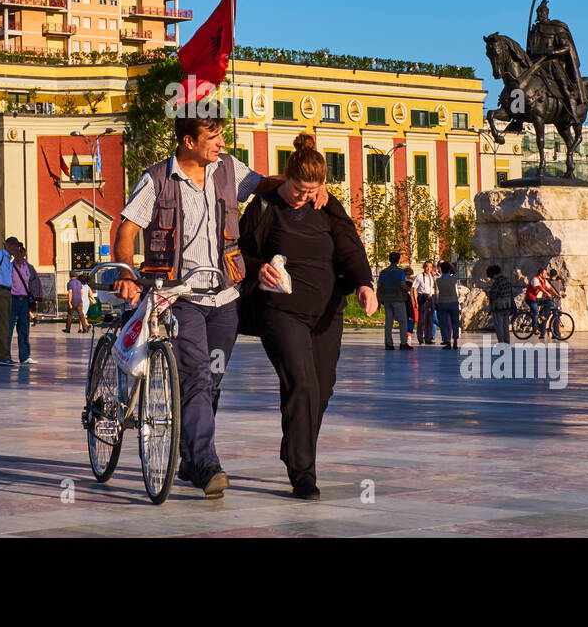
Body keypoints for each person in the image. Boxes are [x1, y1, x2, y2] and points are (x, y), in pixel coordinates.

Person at [114, 106, 322, 499]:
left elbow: (265, 185)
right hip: (179, 297)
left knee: (212, 380)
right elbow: (127, 228)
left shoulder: (227, 168)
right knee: (195, 377)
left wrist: (307, 186)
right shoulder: (158, 179)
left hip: (225, 297)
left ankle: (191, 459)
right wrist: (126, 272)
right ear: (189, 141)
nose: (222, 143)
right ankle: (208, 463)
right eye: (213, 138)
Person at [239, 133, 377, 499]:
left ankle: (294, 447)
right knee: (301, 384)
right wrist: (257, 269)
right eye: (299, 188)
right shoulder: (265, 207)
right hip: (281, 311)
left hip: (327, 312)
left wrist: (365, 284)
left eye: (312, 189)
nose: (304, 196)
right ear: (286, 178)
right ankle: (303, 474)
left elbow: (350, 246)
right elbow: (237, 255)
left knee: (323, 387)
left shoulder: (328, 207)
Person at [7, 238, 36, 365]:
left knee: (24, 329)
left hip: (24, 301)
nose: (19, 256)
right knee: (8, 329)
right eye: (17, 253)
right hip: (12, 300)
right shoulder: (9, 267)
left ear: (24, 254)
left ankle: (25, 356)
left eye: (21, 253)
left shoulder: (29, 267)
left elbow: (34, 282)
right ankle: (6, 356)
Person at [376, 252, 410, 351]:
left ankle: (388, 344)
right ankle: (403, 343)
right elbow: (403, 285)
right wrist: (409, 289)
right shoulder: (400, 272)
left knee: (388, 322)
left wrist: (378, 300)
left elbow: (379, 287)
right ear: (399, 260)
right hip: (398, 299)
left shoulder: (383, 272)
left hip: (387, 299)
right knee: (403, 322)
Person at [435, 260, 462, 349]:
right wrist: (451, 266)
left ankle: (447, 341)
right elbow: (457, 272)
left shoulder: (438, 280)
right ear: (449, 269)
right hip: (453, 302)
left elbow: (436, 293)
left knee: (443, 323)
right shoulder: (453, 279)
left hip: (442, 302)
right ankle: (455, 341)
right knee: (455, 323)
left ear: (441, 270)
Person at [486, 265, 514, 343]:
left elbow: (493, 295)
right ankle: (507, 342)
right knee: (505, 327)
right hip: (507, 306)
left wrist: (489, 293)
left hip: (498, 307)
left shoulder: (497, 282)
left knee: (499, 327)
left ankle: (501, 342)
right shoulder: (507, 280)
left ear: (493, 274)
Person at [413, 260, 438, 345]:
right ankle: (420, 338)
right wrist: (416, 301)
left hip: (431, 298)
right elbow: (414, 288)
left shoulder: (433, 276)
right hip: (423, 297)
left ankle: (428, 338)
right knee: (422, 319)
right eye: (427, 266)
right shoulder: (419, 276)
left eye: (430, 267)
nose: (428, 268)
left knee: (430, 319)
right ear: (424, 267)